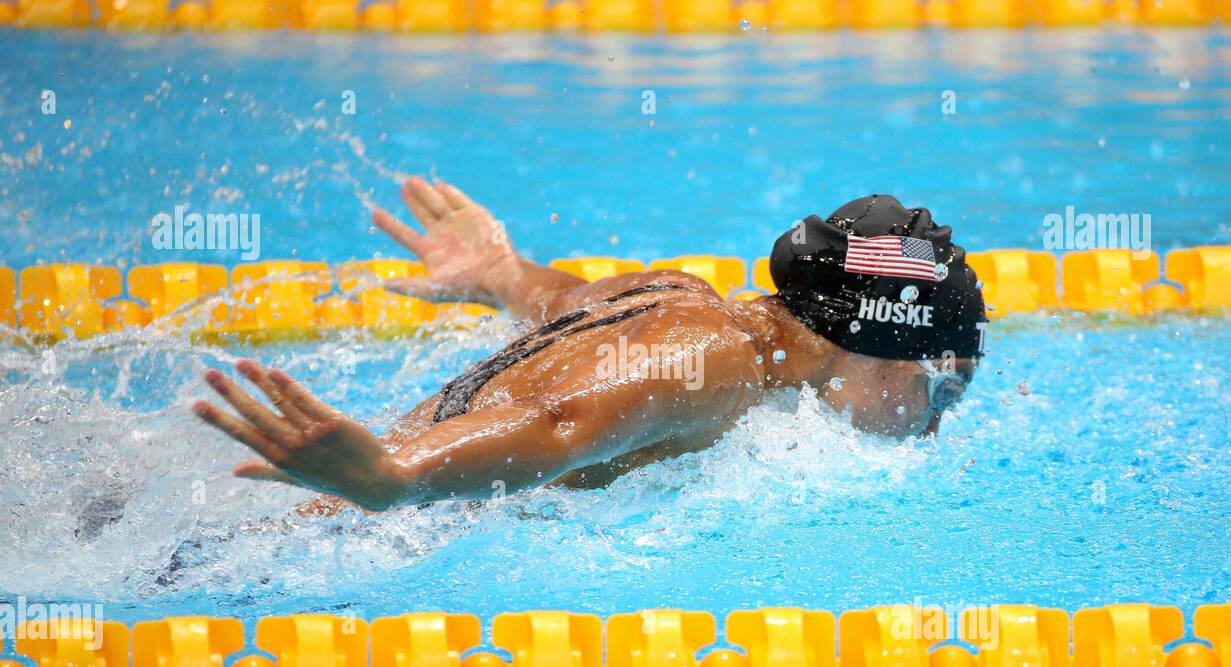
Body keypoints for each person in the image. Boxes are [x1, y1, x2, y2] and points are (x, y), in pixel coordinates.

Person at [193, 178, 986, 512]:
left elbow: (560, 301)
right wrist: (392, 477)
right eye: (941, 389)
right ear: (884, 351)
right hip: (338, 516)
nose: (936, 421)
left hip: (295, 500)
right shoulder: (719, 360)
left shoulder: (681, 298)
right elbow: (557, 420)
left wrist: (500, 270)